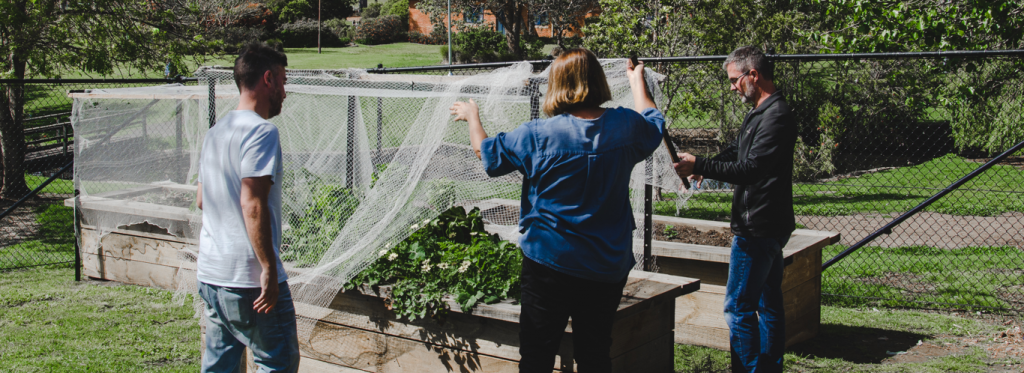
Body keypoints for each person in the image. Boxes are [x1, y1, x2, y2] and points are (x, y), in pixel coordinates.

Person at [450, 49, 665, 373]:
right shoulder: (625, 126)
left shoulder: (537, 135)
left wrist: (472, 116)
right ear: (598, 81)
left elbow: (487, 155)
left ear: (556, 84)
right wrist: (637, 82)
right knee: (595, 354)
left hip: (548, 263)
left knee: (537, 355)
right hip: (605, 265)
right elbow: (653, 121)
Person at [673, 46, 797, 373]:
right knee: (768, 304)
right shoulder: (762, 111)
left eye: (734, 80)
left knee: (738, 309)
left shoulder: (777, 115)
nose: (732, 87)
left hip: (758, 227)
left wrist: (702, 165)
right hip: (768, 224)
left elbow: (753, 168)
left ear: (752, 75)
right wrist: (704, 166)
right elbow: (737, 151)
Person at [194, 42, 299, 373]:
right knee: (278, 361)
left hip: (212, 276)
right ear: (267, 79)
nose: (285, 90)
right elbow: (252, 203)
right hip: (249, 281)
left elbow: (201, 199)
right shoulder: (262, 131)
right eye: (282, 80)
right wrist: (267, 267)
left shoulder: (216, 131)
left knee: (220, 365)